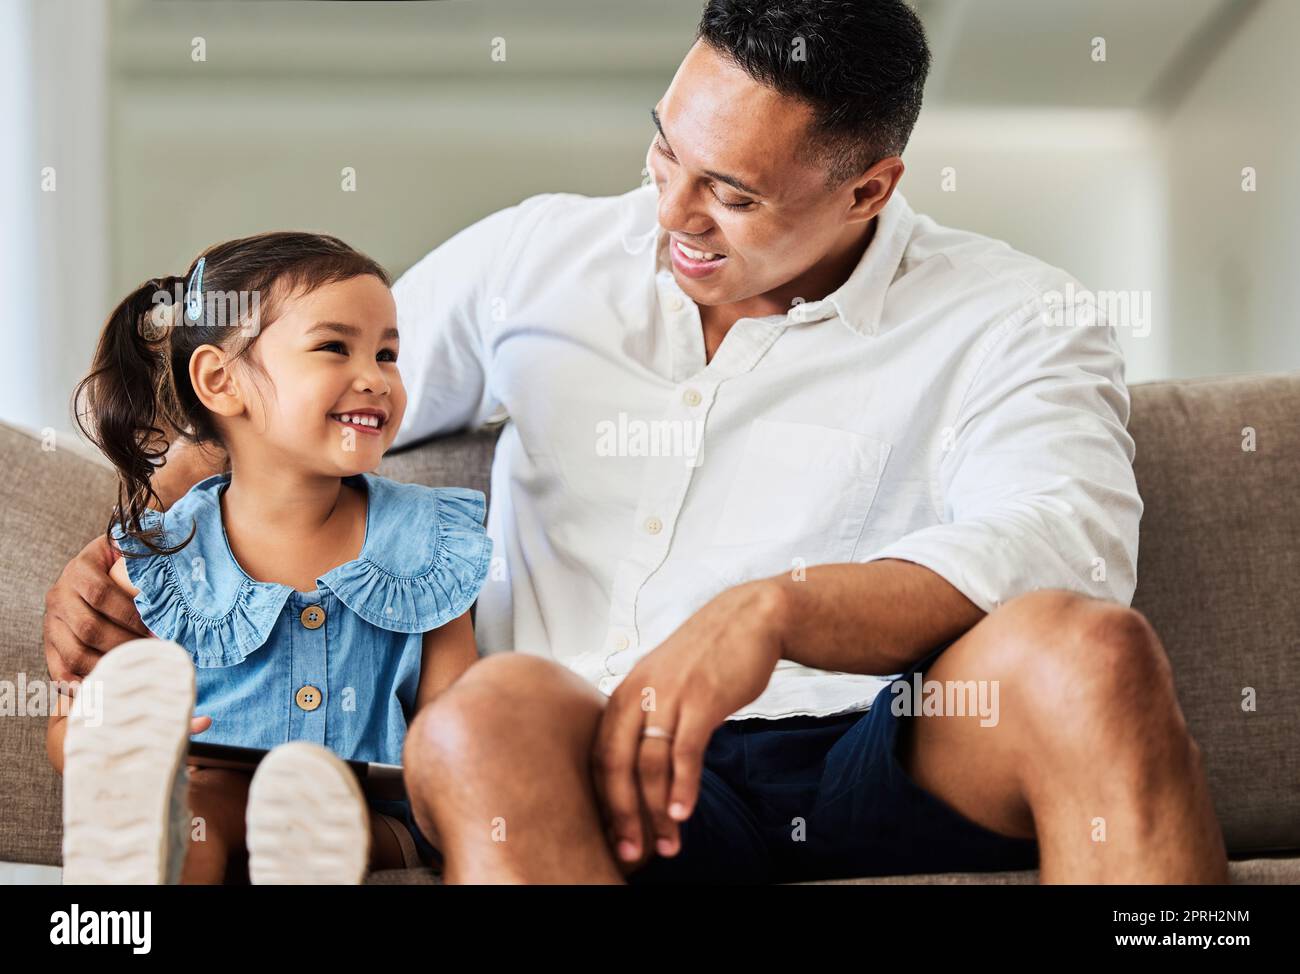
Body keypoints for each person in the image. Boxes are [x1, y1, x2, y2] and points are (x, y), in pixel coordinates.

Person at [45, 0, 1227, 884]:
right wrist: (139, 539)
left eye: (730, 193)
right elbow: (311, 399)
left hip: (892, 745)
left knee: (1086, 652)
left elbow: (1066, 551)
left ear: (868, 189)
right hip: (586, 757)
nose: (667, 212)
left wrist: (775, 610)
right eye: (665, 149)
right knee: (479, 713)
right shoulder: (537, 256)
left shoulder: (1015, 311)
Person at [47, 232, 490, 883]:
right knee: (200, 815)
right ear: (221, 382)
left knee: (322, 814)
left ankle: (305, 841)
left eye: (388, 353)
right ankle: (139, 858)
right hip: (213, 793)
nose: (375, 378)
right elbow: (68, 723)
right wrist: (108, 745)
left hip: (374, 815)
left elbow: (452, 730)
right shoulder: (158, 558)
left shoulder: (431, 543)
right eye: (335, 347)